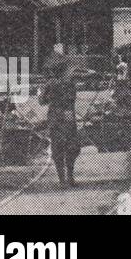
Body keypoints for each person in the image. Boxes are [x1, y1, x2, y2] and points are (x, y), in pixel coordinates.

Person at [40, 60, 80, 188]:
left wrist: (41, 93)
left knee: (58, 149)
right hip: (68, 117)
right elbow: (72, 99)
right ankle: (70, 177)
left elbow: (42, 101)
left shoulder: (50, 84)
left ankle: (62, 180)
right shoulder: (70, 84)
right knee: (72, 148)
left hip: (55, 118)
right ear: (63, 72)